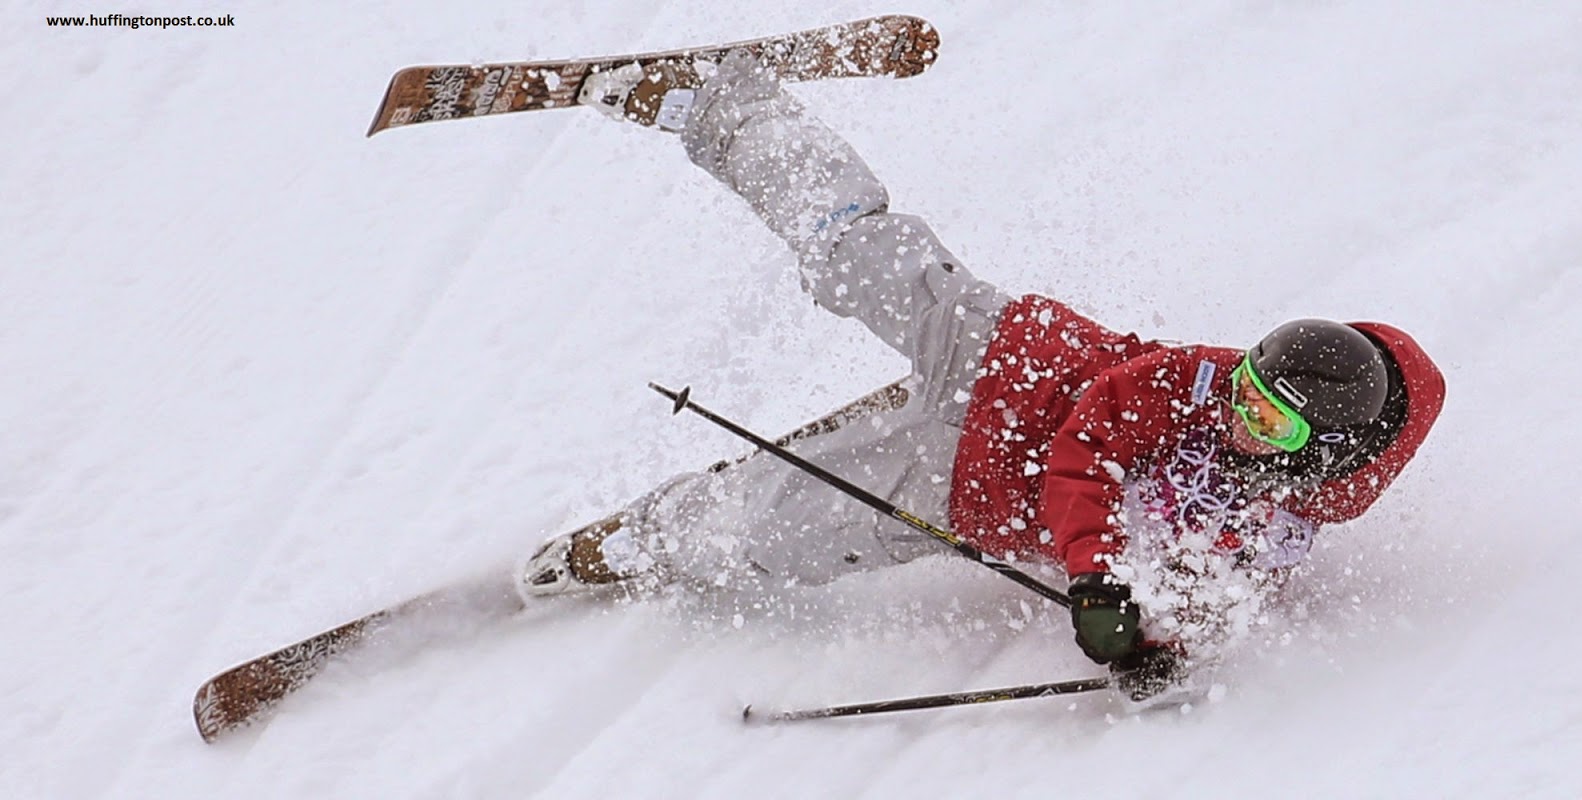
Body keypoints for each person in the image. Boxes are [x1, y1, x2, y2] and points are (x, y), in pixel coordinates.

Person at [515, 55, 1447, 701]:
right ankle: (726, 104)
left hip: (961, 485)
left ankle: (643, 540)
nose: (1240, 416)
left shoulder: (1262, 543)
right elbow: (1093, 439)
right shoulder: (1198, 382)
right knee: (855, 252)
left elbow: (1196, 618)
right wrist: (1093, 574)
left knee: (776, 535)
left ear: (1318, 454)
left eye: (1272, 425)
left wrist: (1148, 654)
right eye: (1245, 388)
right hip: (1003, 353)